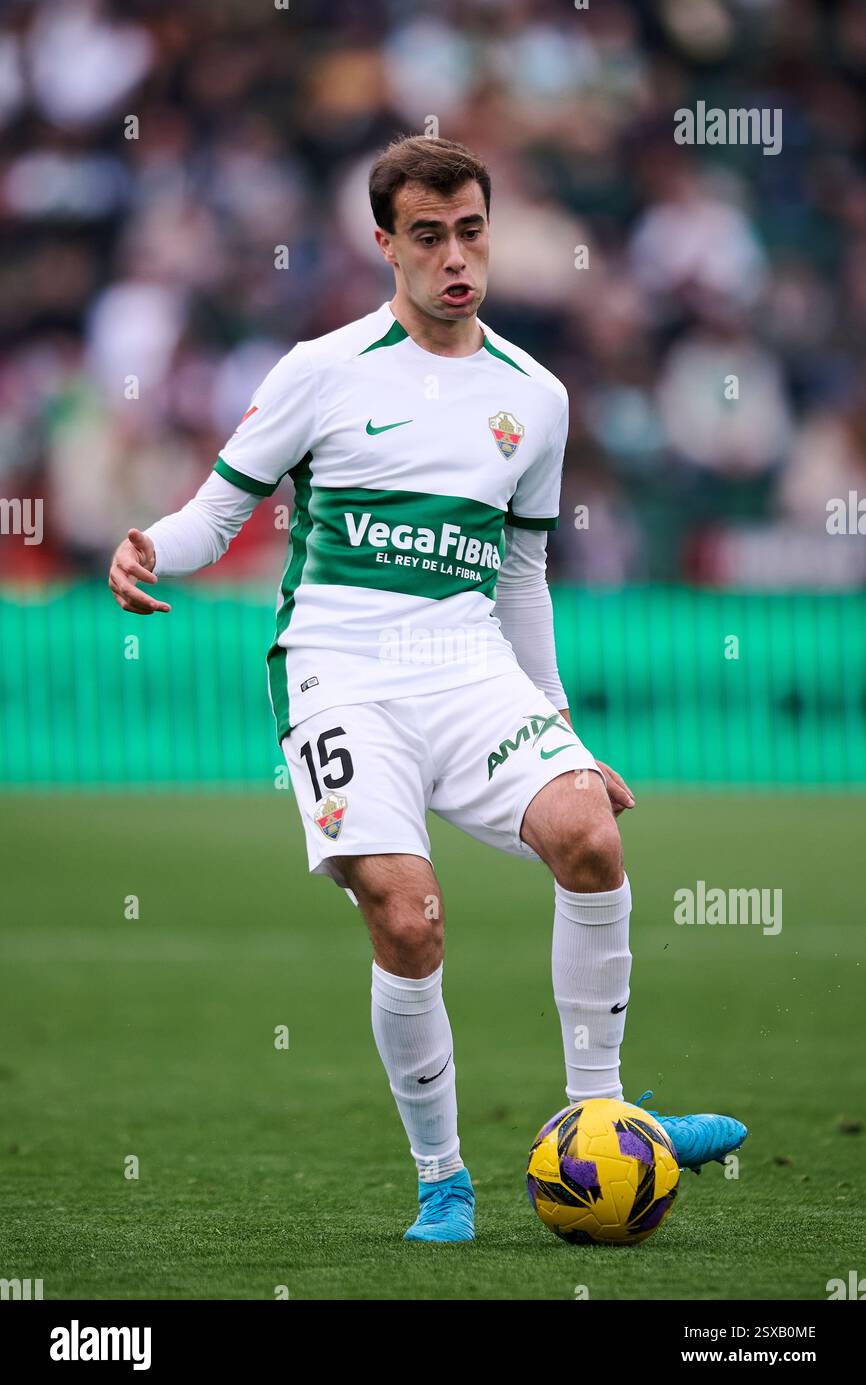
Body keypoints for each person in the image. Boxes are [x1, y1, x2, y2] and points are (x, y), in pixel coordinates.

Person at [109, 136, 747, 1242]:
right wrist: (147, 551)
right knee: (407, 916)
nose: (454, 256)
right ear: (384, 246)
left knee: (589, 834)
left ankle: (604, 1113)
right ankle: (442, 1178)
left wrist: (561, 729)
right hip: (340, 671)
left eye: (470, 230)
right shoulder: (321, 369)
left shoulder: (533, 397)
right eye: (427, 236)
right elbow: (217, 512)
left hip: (467, 669)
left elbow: (521, 573)